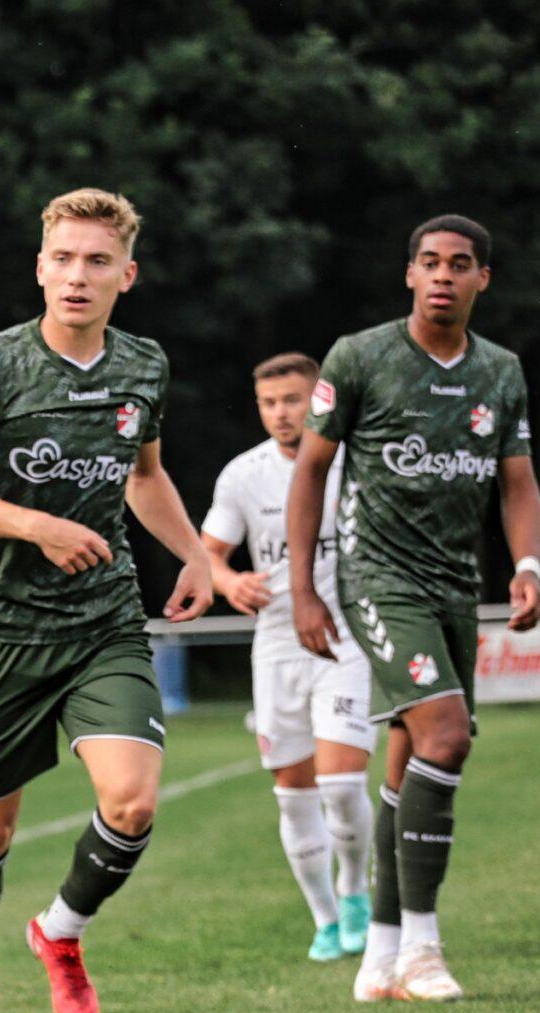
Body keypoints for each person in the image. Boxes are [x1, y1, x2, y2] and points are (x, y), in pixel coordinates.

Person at [0, 188, 212, 1013]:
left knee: (131, 801)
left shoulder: (143, 365)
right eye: (62, 259)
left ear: (128, 275)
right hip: (8, 629)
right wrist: (38, 526)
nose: (77, 276)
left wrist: (196, 555)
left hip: (105, 621)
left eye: (96, 261)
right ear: (39, 266)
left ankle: (59, 931)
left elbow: (145, 475)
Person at [285, 215, 540, 1004]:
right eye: (428, 262)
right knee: (448, 733)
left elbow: (518, 482)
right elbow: (310, 471)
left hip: (453, 586)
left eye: (459, 265)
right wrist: (304, 586)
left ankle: (382, 956)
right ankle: (426, 949)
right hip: (377, 577)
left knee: (411, 760)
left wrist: (527, 564)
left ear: (481, 280)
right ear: (408, 274)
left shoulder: (499, 371)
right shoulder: (360, 357)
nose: (442, 276)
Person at [200, 354, 371, 962]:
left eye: (293, 400)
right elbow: (209, 553)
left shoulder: (354, 462)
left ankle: (355, 893)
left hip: (346, 638)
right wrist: (228, 581)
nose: (281, 413)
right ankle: (326, 920)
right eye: (270, 403)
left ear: (318, 398)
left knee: (343, 783)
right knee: (294, 796)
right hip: (275, 648)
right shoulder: (243, 475)